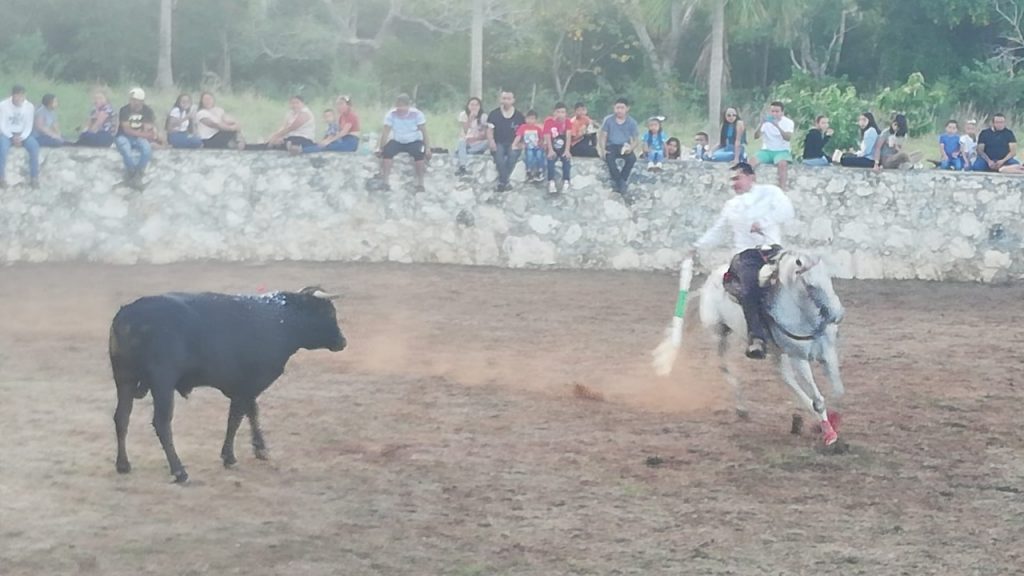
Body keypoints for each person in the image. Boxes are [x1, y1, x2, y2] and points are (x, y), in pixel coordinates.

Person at [689, 162, 795, 359]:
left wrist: (763, 222)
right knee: (749, 289)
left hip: (774, 250)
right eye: (732, 179)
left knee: (802, 276)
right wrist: (698, 246)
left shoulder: (771, 192)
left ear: (751, 177)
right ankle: (757, 337)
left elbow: (787, 211)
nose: (734, 183)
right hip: (746, 255)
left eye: (737, 178)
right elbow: (718, 230)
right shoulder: (731, 206)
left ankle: (819, 321)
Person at [375, 93, 431, 193]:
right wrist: (381, 148)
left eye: (402, 106)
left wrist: (427, 148)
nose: (400, 109)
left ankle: (420, 183)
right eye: (398, 106)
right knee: (387, 152)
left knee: (419, 155)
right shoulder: (391, 114)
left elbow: (424, 132)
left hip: (414, 140)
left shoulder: (417, 114)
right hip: (398, 140)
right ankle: (386, 181)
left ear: (408, 106)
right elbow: (385, 132)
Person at [115, 88, 158, 187]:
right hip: (123, 136)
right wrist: (143, 134)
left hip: (139, 136)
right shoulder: (124, 110)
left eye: (135, 100)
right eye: (132, 99)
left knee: (146, 149)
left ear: (141, 101)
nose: (133, 102)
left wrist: (146, 134)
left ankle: (139, 172)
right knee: (126, 150)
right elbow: (126, 129)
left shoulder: (147, 111)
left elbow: (148, 128)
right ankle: (132, 172)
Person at [598, 97, 640, 197]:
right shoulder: (608, 120)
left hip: (624, 146)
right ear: (614, 108)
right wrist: (602, 149)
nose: (619, 110)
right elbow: (603, 135)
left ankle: (622, 181)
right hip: (611, 145)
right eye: (617, 108)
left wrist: (631, 148)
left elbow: (636, 140)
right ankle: (620, 182)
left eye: (622, 108)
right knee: (609, 159)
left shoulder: (631, 122)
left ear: (627, 108)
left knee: (632, 159)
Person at [0, 85, 40, 189]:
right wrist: (11, 136)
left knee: (34, 146)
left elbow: (28, 125)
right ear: (12, 95)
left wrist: (21, 137)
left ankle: (34, 178)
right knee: (2, 148)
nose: (19, 99)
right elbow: (2, 125)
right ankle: (1, 178)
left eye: (22, 96)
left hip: (23, 133)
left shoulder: (29, 107)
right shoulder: (3, 105)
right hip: (7, 133)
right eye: (17, 96)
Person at [486, 91, 525, 191]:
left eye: (509, 99)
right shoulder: (494, 114)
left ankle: (502, 182)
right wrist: (491, 141)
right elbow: (490, 130)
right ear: (500, 100)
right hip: (498, 142)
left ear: (513, 100)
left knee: (512, 157)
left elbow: (523, 132)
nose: (506, 101)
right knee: (499, 158)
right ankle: (505, 182)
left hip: (513, 143)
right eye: (504, 98)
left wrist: (520, 143)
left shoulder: (519, 116)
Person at [752, 101, 795, 188]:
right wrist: (761, 124)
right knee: (751, 162)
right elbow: (756, 137)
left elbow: (787, 138)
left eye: (777, 111)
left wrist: (777, 126)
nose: (774, 114)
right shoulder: (766, 122)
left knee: (782, 164)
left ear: (782, 112)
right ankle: (752, 186)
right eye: (772, 111)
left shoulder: (788, 122)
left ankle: (782, 188)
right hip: (767, 150)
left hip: (781, 150)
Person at [543, 101, 573, 194]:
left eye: (563, 112)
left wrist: (567, 150)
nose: (560, 114)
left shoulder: (567, 122)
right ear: (554, 112)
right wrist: (550, 150)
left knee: (566, 160)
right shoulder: (549, 122)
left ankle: (566, 181)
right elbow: (547, 136)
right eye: (558, 112)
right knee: (550, 161)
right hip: (552, 146)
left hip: (563, 147)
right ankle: (551, 181)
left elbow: (568, 136)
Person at [455, 97, 487, 175]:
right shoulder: (463, 114)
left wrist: (476, 138)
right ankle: (463, 166)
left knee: (487, 142)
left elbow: (485, 134)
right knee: (461, 141)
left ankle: (462, 152)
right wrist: (470, 118)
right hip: (466, 141)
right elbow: (465, 131)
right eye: (472, 105)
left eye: (476, 105)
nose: (474, 107)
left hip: (477, 142)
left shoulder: (484, 116)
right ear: (468, 106)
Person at [513, 109, 545, 182]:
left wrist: (541, 144)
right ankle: (529, 171)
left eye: (532, 119)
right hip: (528, 146)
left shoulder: (538, 129)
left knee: (539, 155)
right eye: (529, 118)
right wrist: (514, 144)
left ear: (536, 120)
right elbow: (518, 136)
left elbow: (542, 138)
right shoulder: (523, 127)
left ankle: (540, 171)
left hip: (537, 146)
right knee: (529, 155)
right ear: (526, 119)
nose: (530, 121)